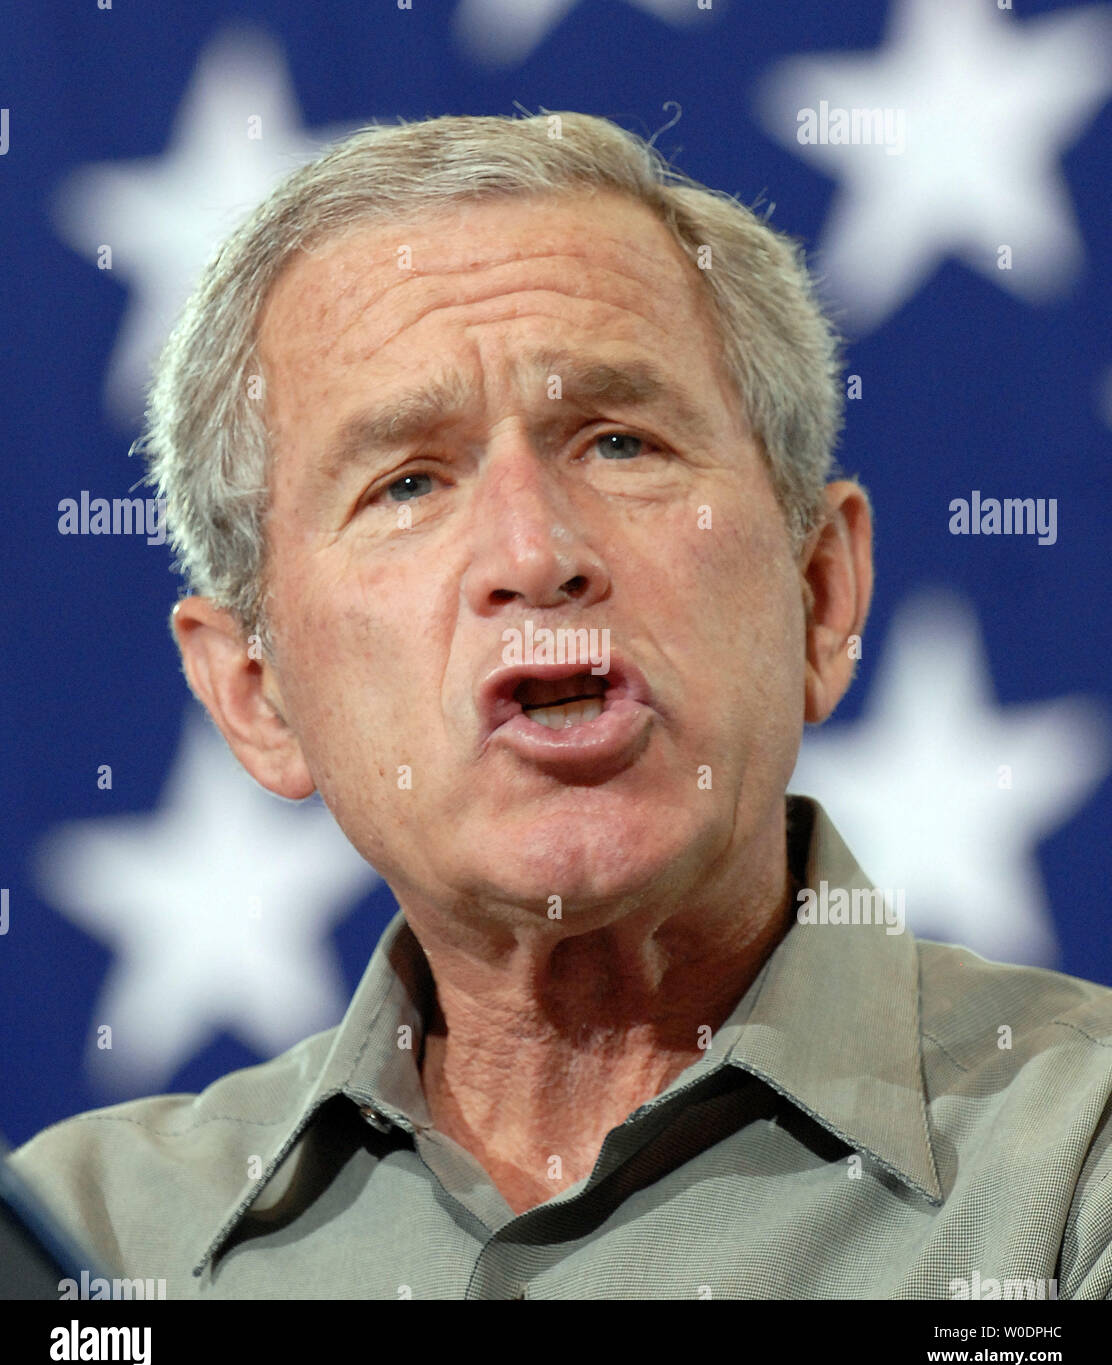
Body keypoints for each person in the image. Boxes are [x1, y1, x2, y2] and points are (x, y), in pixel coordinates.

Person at [12, 112, 1112, 1300]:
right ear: (256, 695)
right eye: (409, 481)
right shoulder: (88, 1247)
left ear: (818, 595)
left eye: (619, 442)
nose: (535, 552)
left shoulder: (1074, 1170)